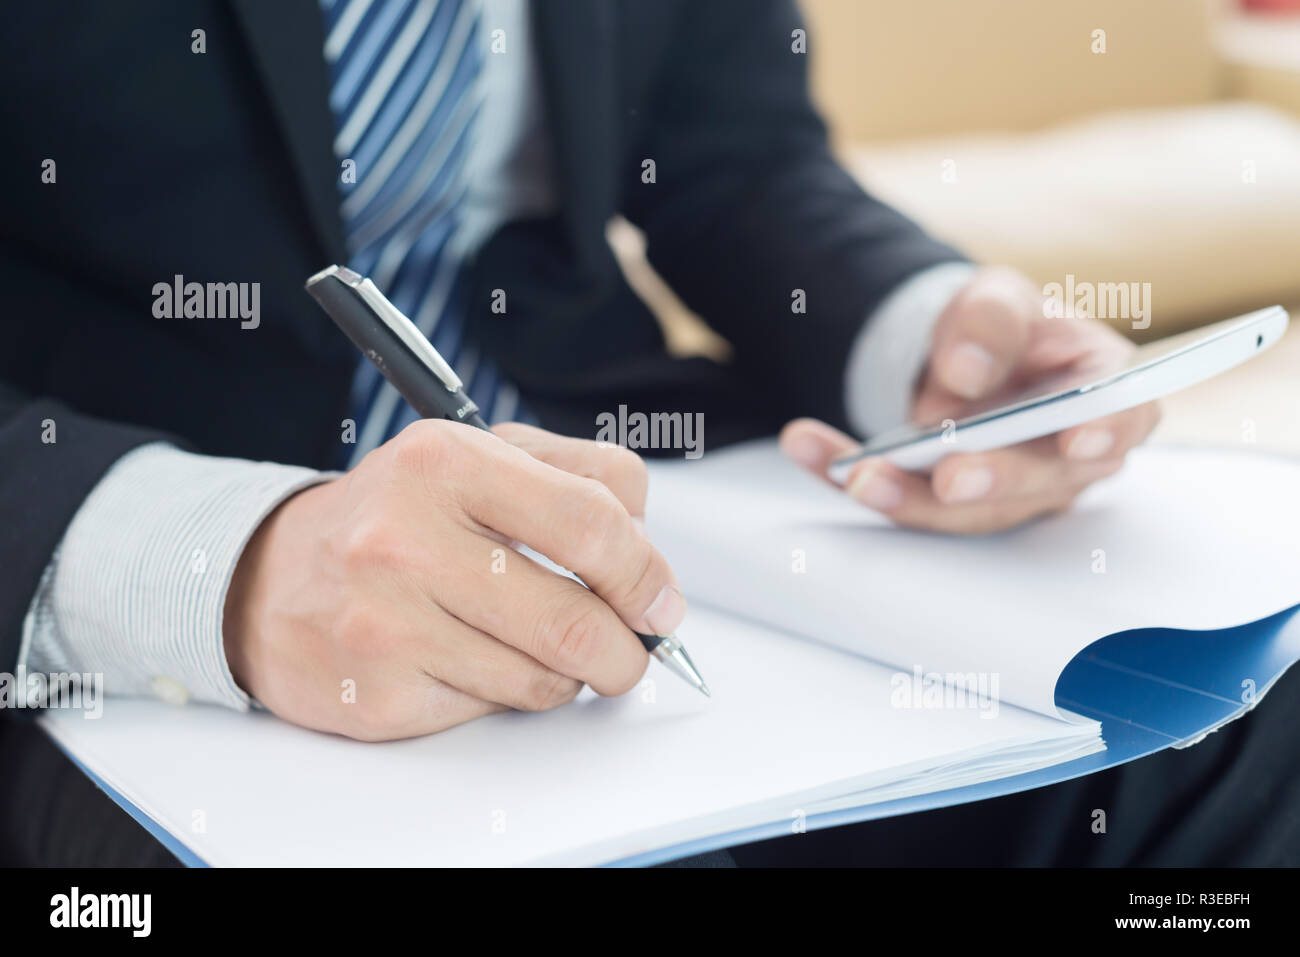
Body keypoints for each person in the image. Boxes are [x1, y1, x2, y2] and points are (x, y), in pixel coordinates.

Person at [1, 0, 1165, 864]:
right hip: (113, 596)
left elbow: (735, 157)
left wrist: (926, 334)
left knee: (1206, 746)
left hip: (630, 500)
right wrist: (225, 562)